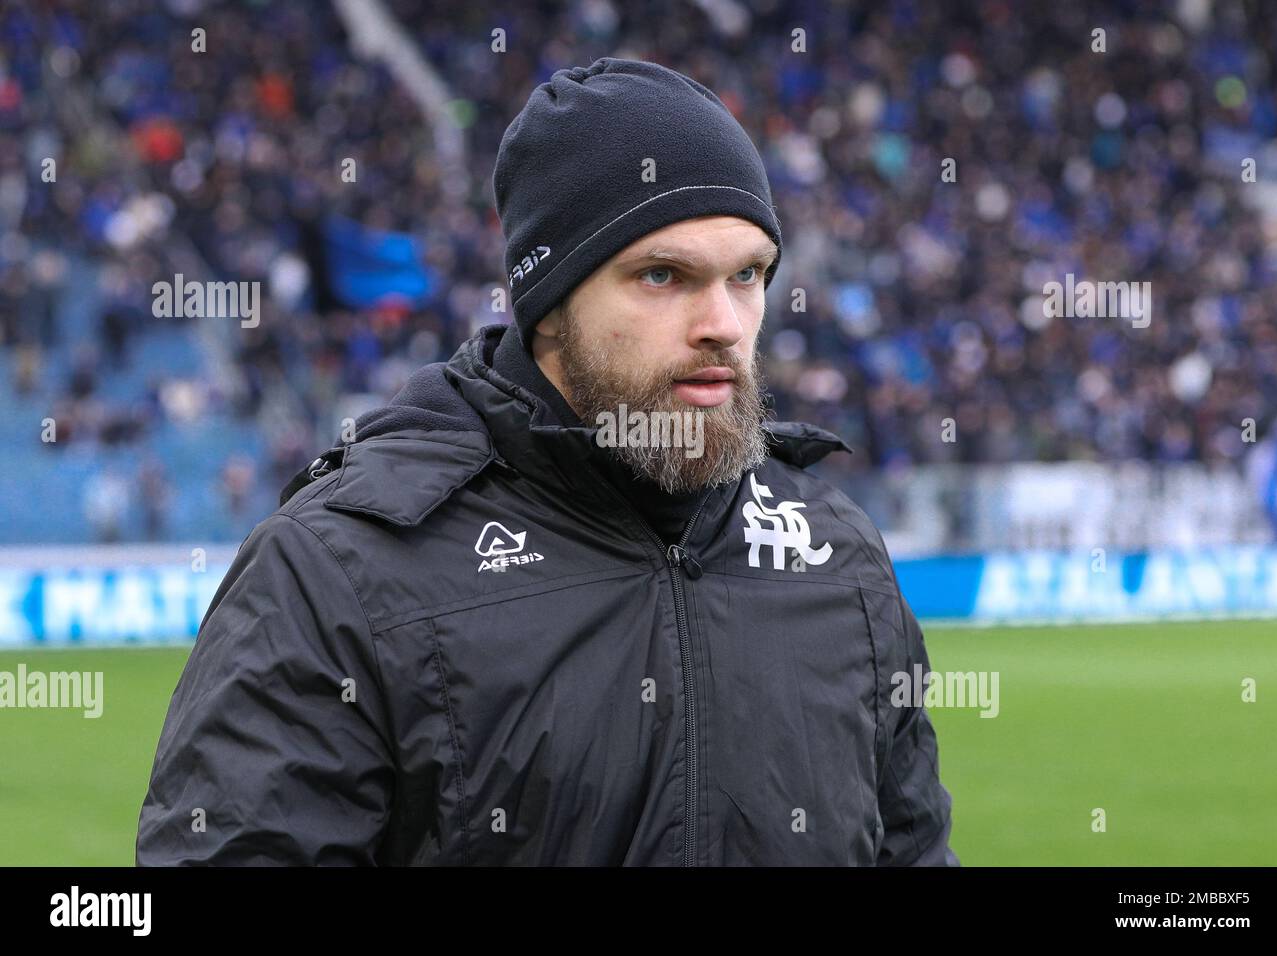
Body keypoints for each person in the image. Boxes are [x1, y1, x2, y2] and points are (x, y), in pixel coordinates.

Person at [136, 56, 958, 866]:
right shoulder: (341, 572)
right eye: (663, 274)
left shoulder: (839, 558)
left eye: (748, 275)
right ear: (551, 306)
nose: (724, 324)